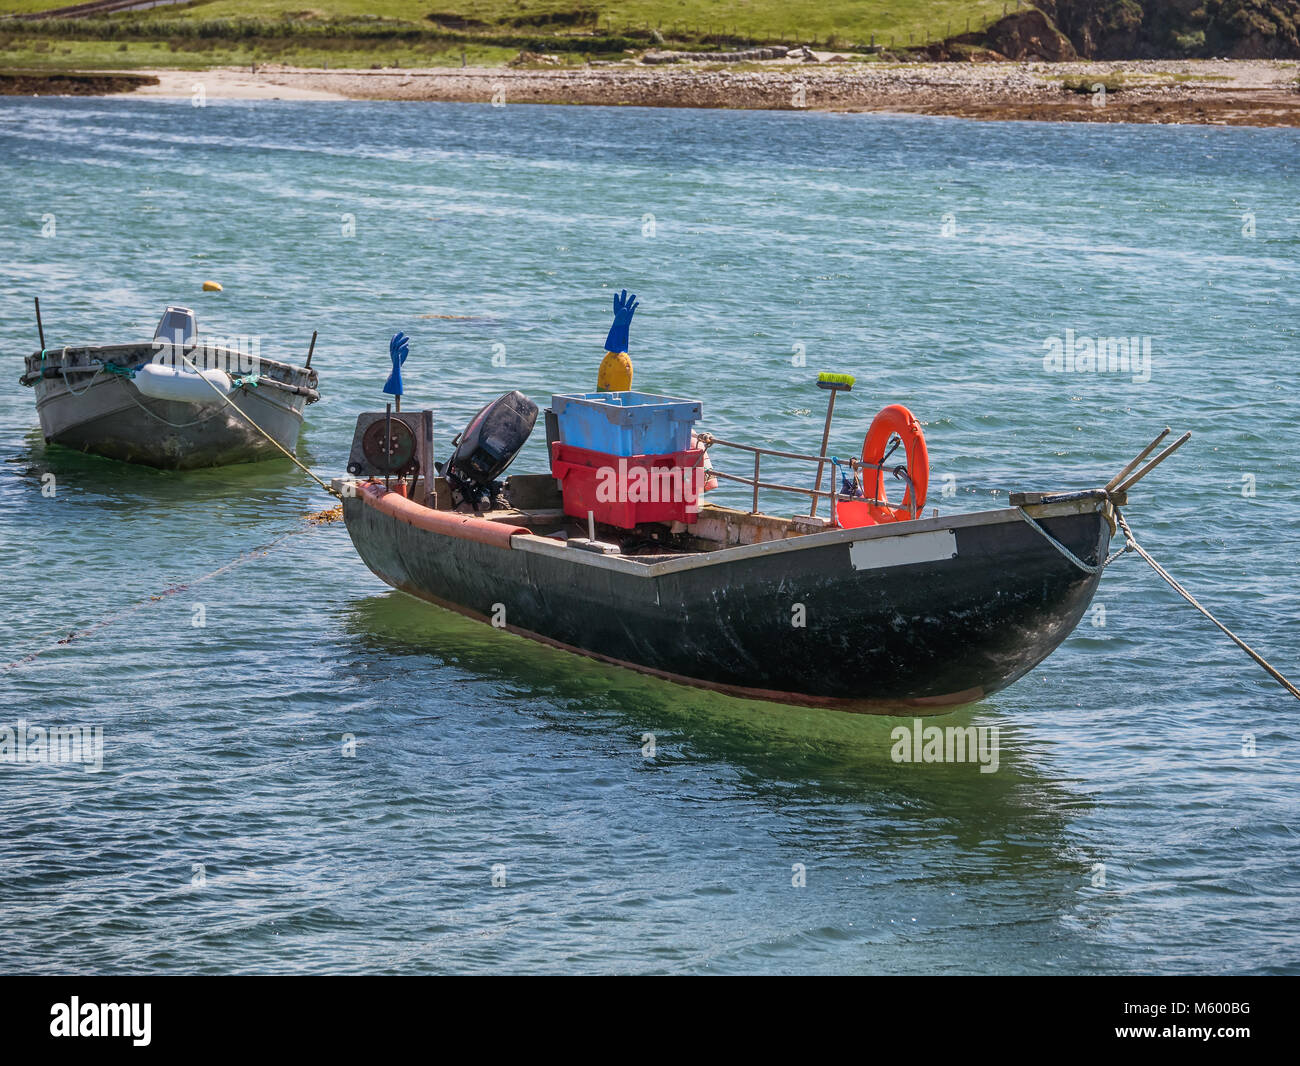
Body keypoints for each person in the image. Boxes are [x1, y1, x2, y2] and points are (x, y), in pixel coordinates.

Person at [596, 289, 637, 392]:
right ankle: (621, 327)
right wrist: (621, 327)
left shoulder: (618, 361)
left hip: (617, 361)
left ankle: (621, 327)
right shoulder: (619, 361)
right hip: (617, 358)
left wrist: (621, 327)